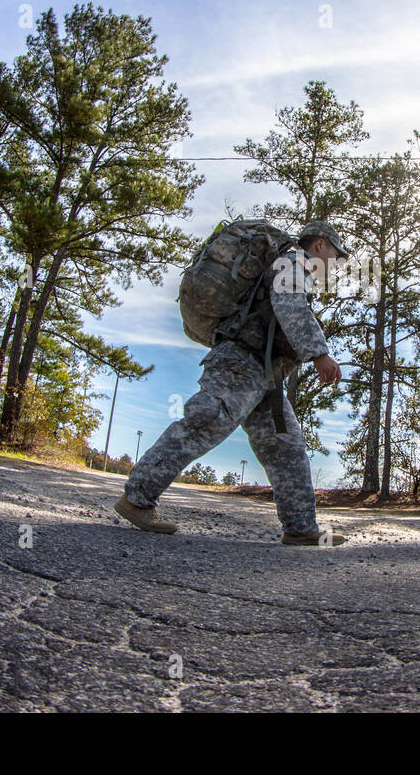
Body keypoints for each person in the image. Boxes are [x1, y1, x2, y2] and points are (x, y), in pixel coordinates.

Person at [114, 221, 349, 545]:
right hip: (240, 362)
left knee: (286, 445)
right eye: (336, 254)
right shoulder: (295, 259)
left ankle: (300, 528)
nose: (336, 262)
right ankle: (138, 498)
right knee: (207, 418)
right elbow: (289, 304)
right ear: (320, 245)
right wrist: (319, 354)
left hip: (266, 374)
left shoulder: (294, 263)